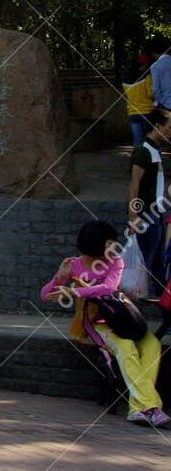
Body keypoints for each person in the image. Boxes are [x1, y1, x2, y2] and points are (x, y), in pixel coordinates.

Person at [41, 220, 168, 427]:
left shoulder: (115, 261)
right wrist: (60, 277)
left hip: (121, 319)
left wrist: (75, 291)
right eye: (108, 243)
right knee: (126, 348)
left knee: (152, 344)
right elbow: (45, 295)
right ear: (95, 243)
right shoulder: (74, 265)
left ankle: (137, 408)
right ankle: (149, 407)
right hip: (95, 323)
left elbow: (108, 288)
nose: (113, 247)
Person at [127, 107, 171, 307]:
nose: (170, 132)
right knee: (144, 265)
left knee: (159, 265)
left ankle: (165, 309)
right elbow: (134, 185)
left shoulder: (155, 150)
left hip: (157, 214)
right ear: (157, 126)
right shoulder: (143, 151)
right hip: (146, 217)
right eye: (169, 127)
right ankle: (135, 311)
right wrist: (133, 217)